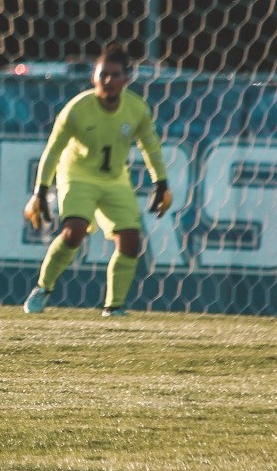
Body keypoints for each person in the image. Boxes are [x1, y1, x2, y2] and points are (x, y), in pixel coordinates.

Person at [21, 45, 172, 316]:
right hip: (78, 175)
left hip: (115, 180)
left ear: (126, 79)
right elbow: (53, 150)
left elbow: (151, 147)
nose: (108, 81)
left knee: (130, 239)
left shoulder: (137, 109)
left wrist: (161, 183)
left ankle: (113, 307)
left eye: (115, 75)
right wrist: (40, 191)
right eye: (103, 75)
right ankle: (43, 289)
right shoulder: (77, 109)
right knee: (74, 231)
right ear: (94, 77)